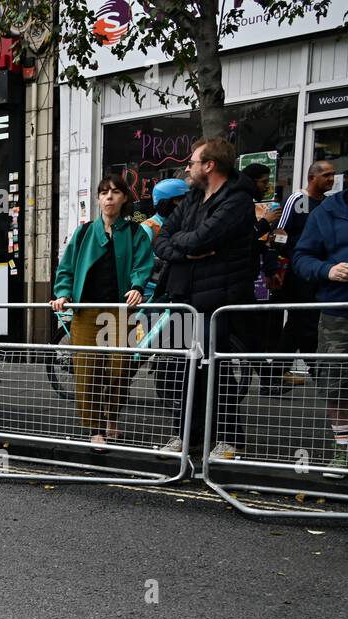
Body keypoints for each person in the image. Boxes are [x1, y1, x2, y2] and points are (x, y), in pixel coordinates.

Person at [152, 136, 260, 459]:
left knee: (217, 369)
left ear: (210, 165)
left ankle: (228, 437)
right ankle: (187, 436)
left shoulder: (237, 200)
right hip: (185, 295)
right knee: (184, 371)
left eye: (193, 162)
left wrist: (185, 246)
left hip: (219, 298)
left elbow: (203, 237)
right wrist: (188, 252)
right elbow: (163, 240)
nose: (188, 167)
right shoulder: (193, 197)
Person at [51, 176, 154, 446]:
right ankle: (95, 428)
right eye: (104, 193)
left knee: (120, 370)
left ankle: (112, 418)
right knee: (87, 371)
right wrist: (63, 294)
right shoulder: (84, 232)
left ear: (124, 199)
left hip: (121, 312)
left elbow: (142, 266)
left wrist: (137, 286)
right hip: (86, 312)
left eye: (116, 192)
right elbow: (66, 269)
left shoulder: (135, 233)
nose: (109, 197)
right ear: (98, 199)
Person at [292, 158, 348, 473]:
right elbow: (300, 258)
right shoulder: (326, 212)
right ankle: (343, 449)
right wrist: (328, 270)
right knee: (338, 384)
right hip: (339, 311)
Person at [272, 160, 338, 391]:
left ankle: (280, 373)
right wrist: (280, 264)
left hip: (320, 273)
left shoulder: (330, 204)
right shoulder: (296, 200)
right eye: (326, 175)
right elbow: (280, 231)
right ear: (312, 178)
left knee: (304, 323)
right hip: (297, 272)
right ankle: (286, 373)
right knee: (303, 321)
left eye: (333, 175)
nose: (331, 179)